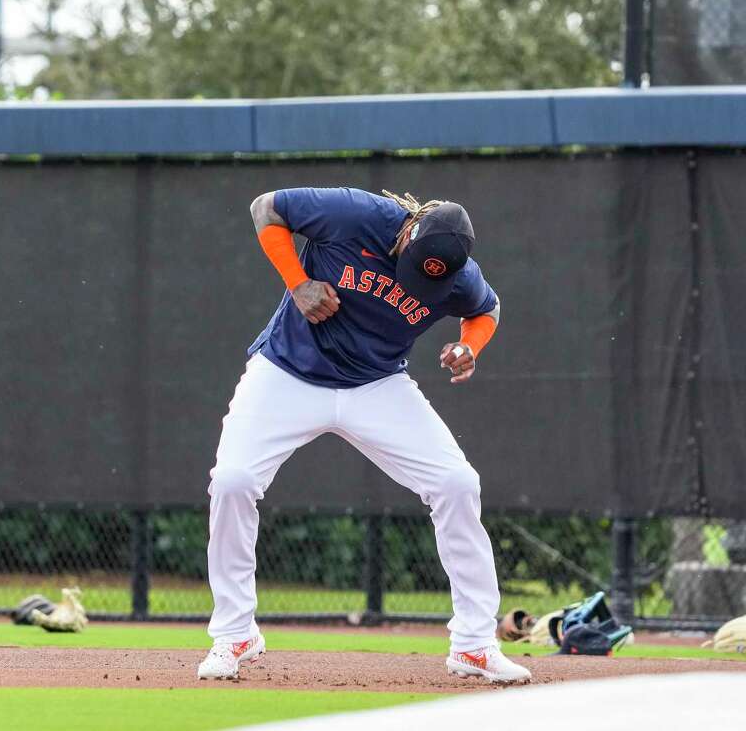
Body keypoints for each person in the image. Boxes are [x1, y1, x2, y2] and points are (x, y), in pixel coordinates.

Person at [196, 187, 531, 685]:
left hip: (377, 385)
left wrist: (469, 346)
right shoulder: (357, 213)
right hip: (288, 372)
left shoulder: (460, 278)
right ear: (408, 231)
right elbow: (265, 207)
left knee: (458, 484)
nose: (417, 280)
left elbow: (487, 310)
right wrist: (298, 283)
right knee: (233, 481)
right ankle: (235, 632)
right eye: (414, 264)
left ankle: (475, 645)